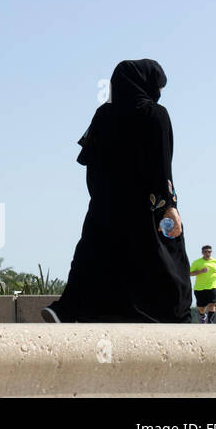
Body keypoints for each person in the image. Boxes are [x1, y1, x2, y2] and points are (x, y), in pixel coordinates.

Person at [42, 59, 192, 323]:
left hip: (106, 204)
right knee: (162, 257)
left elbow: (87, 160)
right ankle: (170, 318)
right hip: (147, 204)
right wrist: (170, 205)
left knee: (94, 256)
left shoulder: (103, 114)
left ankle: (66, 310)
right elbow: (162, 164)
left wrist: (100, 198)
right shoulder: (155, 114)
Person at [190, 245, 216, 323]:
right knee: (201, 307)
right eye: (205, 251)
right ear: (202, 252)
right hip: (199, 287)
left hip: (212, 286)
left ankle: (210, 321)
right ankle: (203, 315)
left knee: (213, 303)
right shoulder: (197, 262)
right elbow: (190, 273)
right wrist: (200, 271)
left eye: (209, 251)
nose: (207, 253)